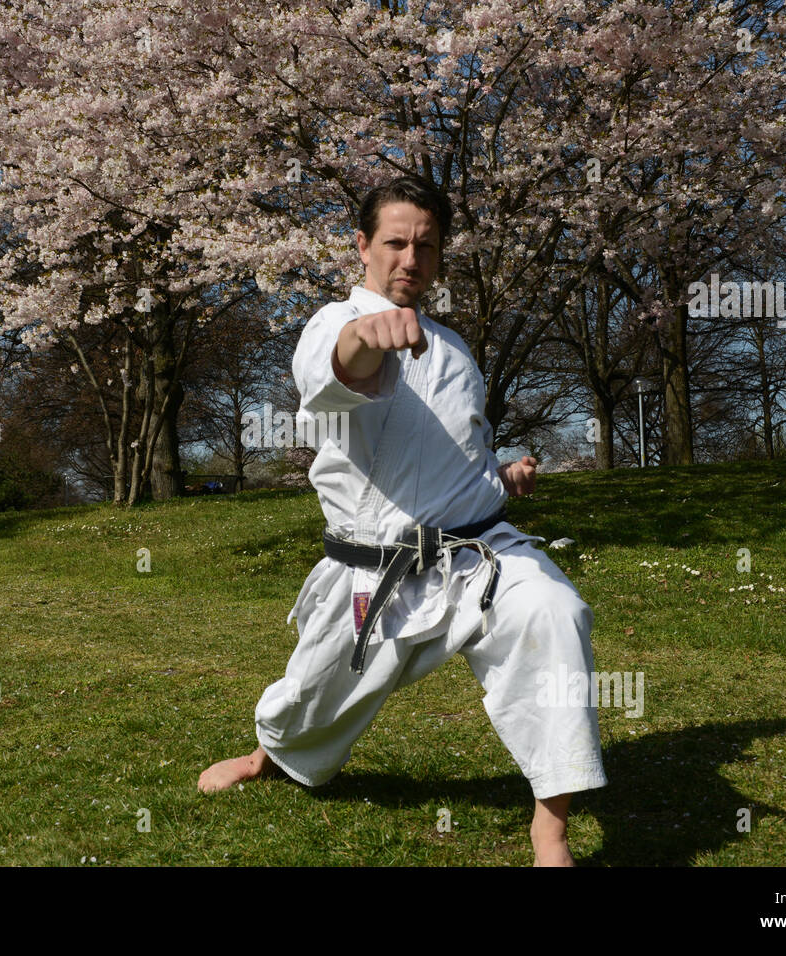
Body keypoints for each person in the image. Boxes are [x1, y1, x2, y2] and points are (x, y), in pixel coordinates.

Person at [197, 175, 607, 866]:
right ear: (361, 246)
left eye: (425, 245)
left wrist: (502, 475)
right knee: (313, 695)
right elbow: (333, 374)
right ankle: (269, 756)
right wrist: (367, 337)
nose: (409, 258)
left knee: (553, 613)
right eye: (394, 242)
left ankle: (550, 828)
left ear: (439, 256)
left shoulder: (457, 352)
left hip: (481, 553)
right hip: (375, 570)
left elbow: (452, 452)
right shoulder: (334, 323)